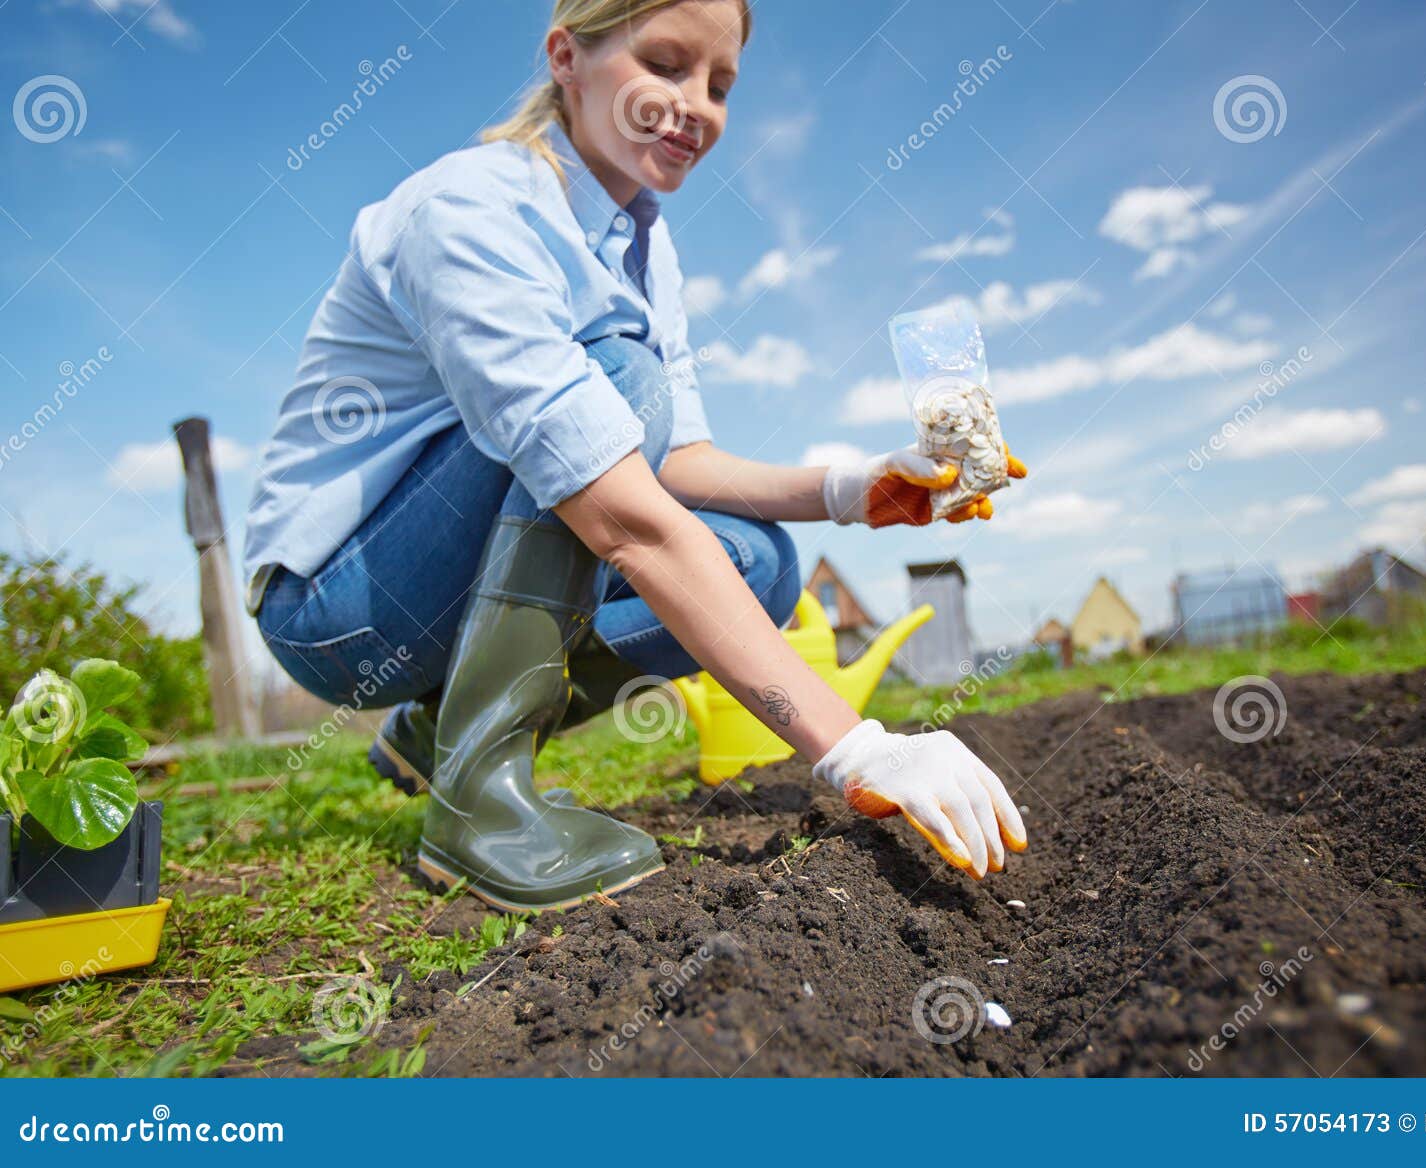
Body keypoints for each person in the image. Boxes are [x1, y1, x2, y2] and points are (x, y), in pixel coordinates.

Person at [243, 0, 1028, 913]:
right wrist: (857, 746)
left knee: (760, 562)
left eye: (720, 84)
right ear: (565, 56)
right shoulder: (470, 210)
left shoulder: (643, 246)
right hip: (339, 607)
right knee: (618, 376)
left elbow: (678, 459)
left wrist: (854, 490)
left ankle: (434, 735)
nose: (696, 104)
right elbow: (621, 511)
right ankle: (478, 806)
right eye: (665, 62)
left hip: (442, 577)